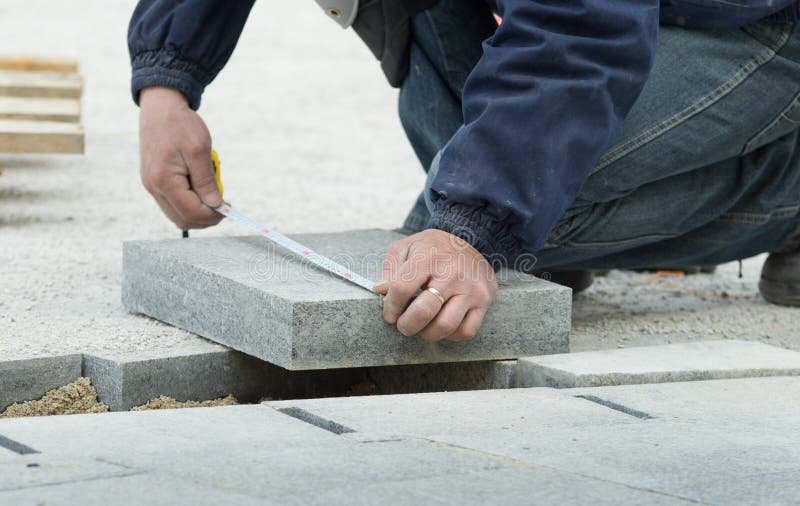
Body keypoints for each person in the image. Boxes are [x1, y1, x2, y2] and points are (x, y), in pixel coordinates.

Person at [129, 0, 800, 343]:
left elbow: (579, 24)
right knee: (497, 200)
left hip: (748, 24)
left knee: (522, 218)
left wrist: (476, 225)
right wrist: (168, 82)